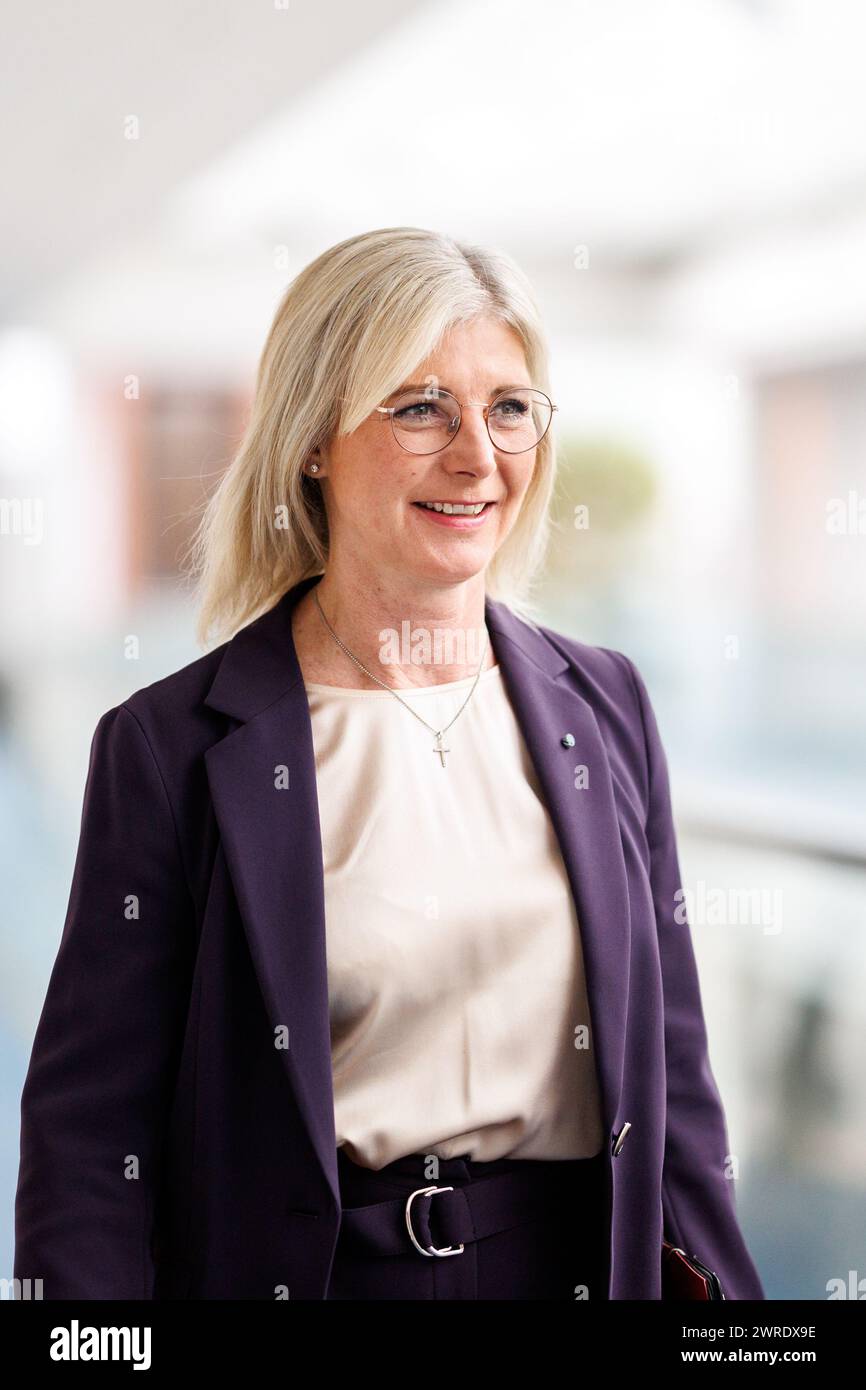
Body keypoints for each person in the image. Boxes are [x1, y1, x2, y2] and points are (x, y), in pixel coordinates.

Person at [14, 226, 764, 1300]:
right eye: (419, 407)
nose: (475, 455)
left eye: (507, 407)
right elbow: (90, 1140)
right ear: (313, 437)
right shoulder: (171, 747)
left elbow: (675, 1094)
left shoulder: (604, 707)